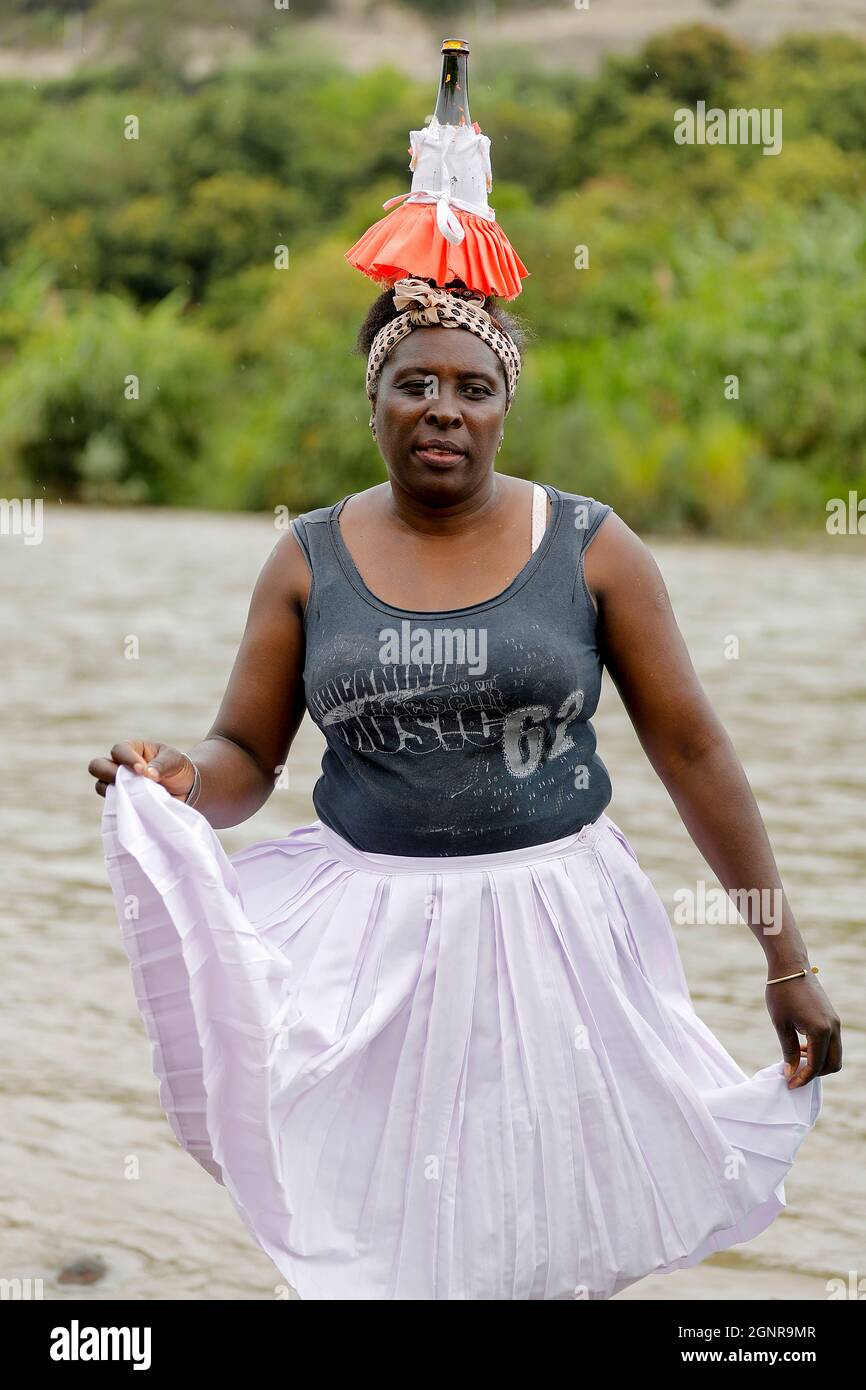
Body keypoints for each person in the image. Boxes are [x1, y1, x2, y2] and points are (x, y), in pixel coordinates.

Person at [89, 59, 840, 1300]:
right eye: (414, 384)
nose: (444, 409)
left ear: (505, 405)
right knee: (380, 1252)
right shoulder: (306, 558)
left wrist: (784, 957)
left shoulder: (593, 548)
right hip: (367, 942)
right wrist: (175, 781)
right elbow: (245, 764)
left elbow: (694, 752)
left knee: (541, 1239)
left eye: (472, 389)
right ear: (372, 401)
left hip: (554, 929)